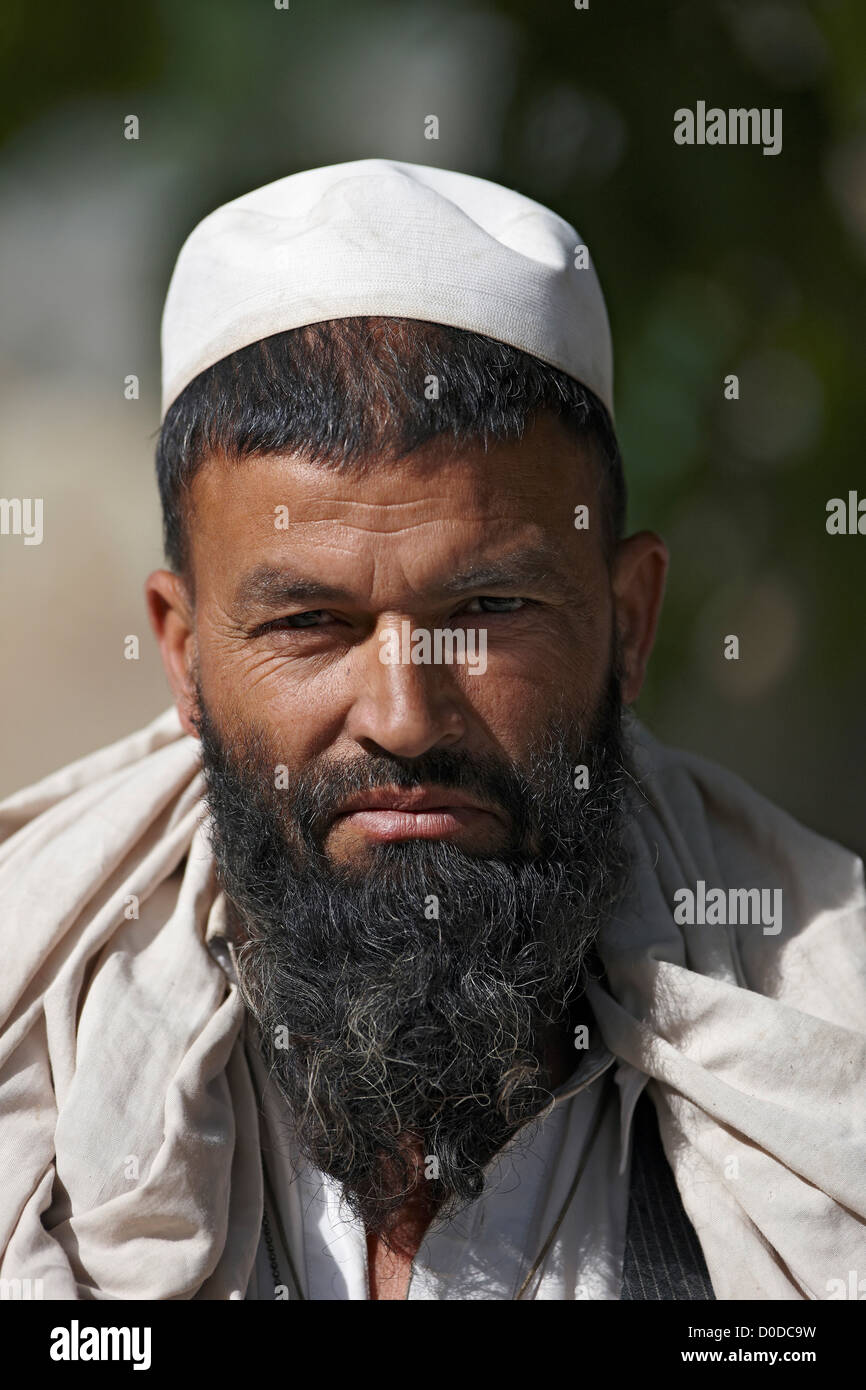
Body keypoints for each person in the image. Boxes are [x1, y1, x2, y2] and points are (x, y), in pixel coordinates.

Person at [1, 159, 864, 1302]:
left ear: (627, 621)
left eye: (488, 609)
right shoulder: (32, 1049)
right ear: (184, 653)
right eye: (309, 623)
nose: (403, 719)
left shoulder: (827, 1033)